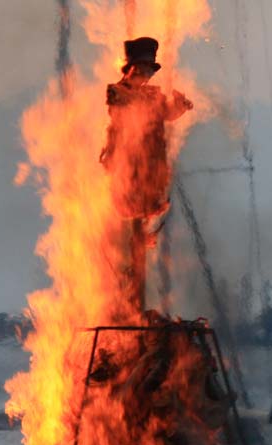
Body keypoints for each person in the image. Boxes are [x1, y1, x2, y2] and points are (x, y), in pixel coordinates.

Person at [100, 36, 193, 311]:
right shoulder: (118, 92)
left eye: (150, 70)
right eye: (143, 69)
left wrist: (180, 105)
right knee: (132, 220)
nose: (147, 75)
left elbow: (166, 114)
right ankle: (128, 294)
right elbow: (124, 109)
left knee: (147, 217)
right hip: (129, 168)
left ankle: (137, 270)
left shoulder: (152, 94)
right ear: (130, 68)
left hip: (152, 166)